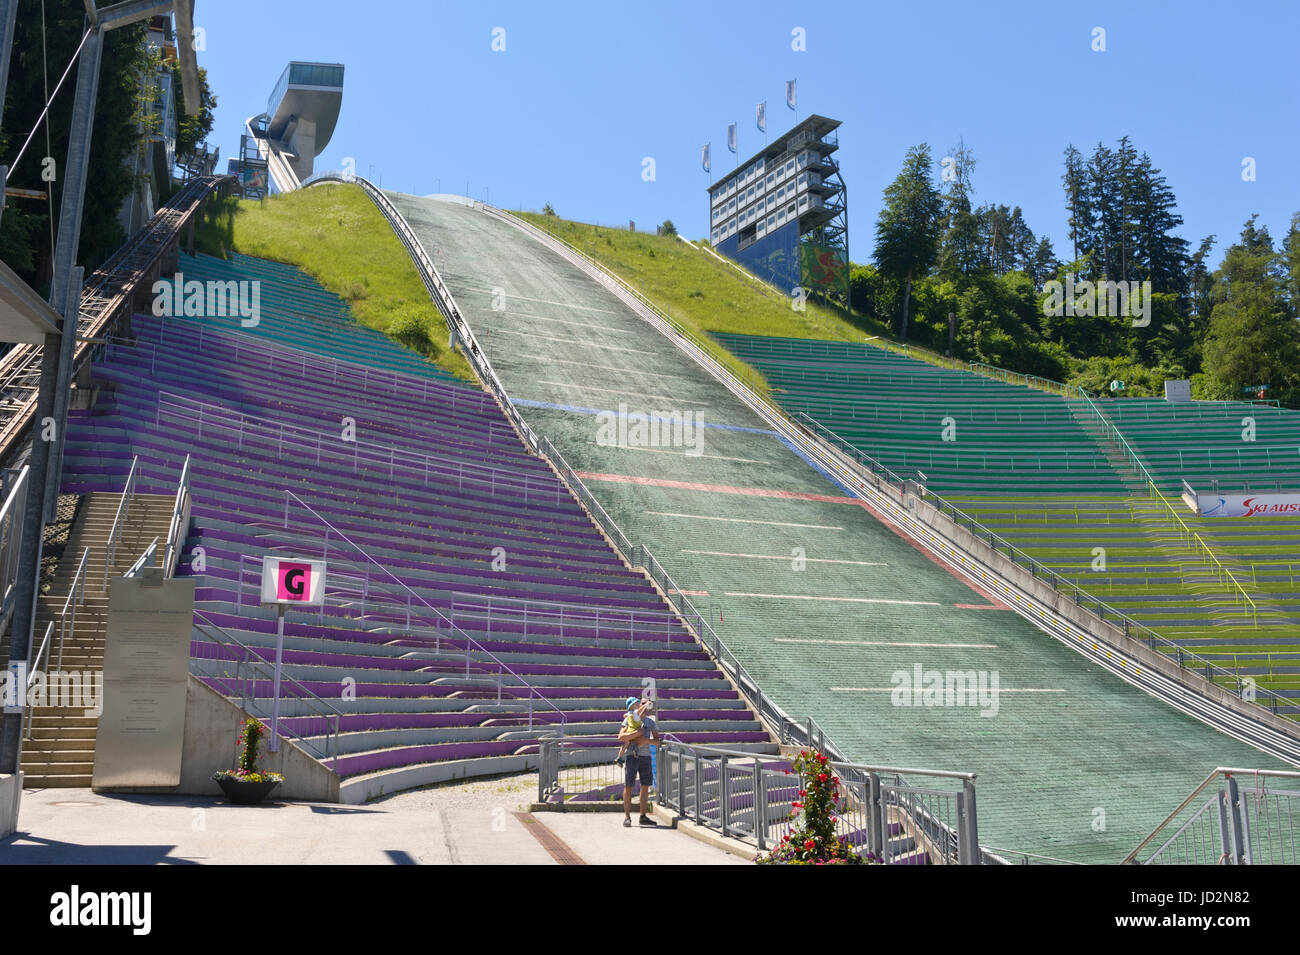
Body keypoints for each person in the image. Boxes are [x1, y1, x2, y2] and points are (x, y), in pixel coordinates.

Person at [619, 696, 659, 827]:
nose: (646, 707)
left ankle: (643, 816)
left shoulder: (651, 722)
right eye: (643, 704)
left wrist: (646, 741)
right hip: (632, 756)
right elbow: (620, 736)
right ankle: (627, 817)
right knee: (628, 786)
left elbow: (658, 741)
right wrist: (636, 734)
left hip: (645, 756)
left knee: (645, 786)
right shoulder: (628, 719)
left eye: (647, 704)